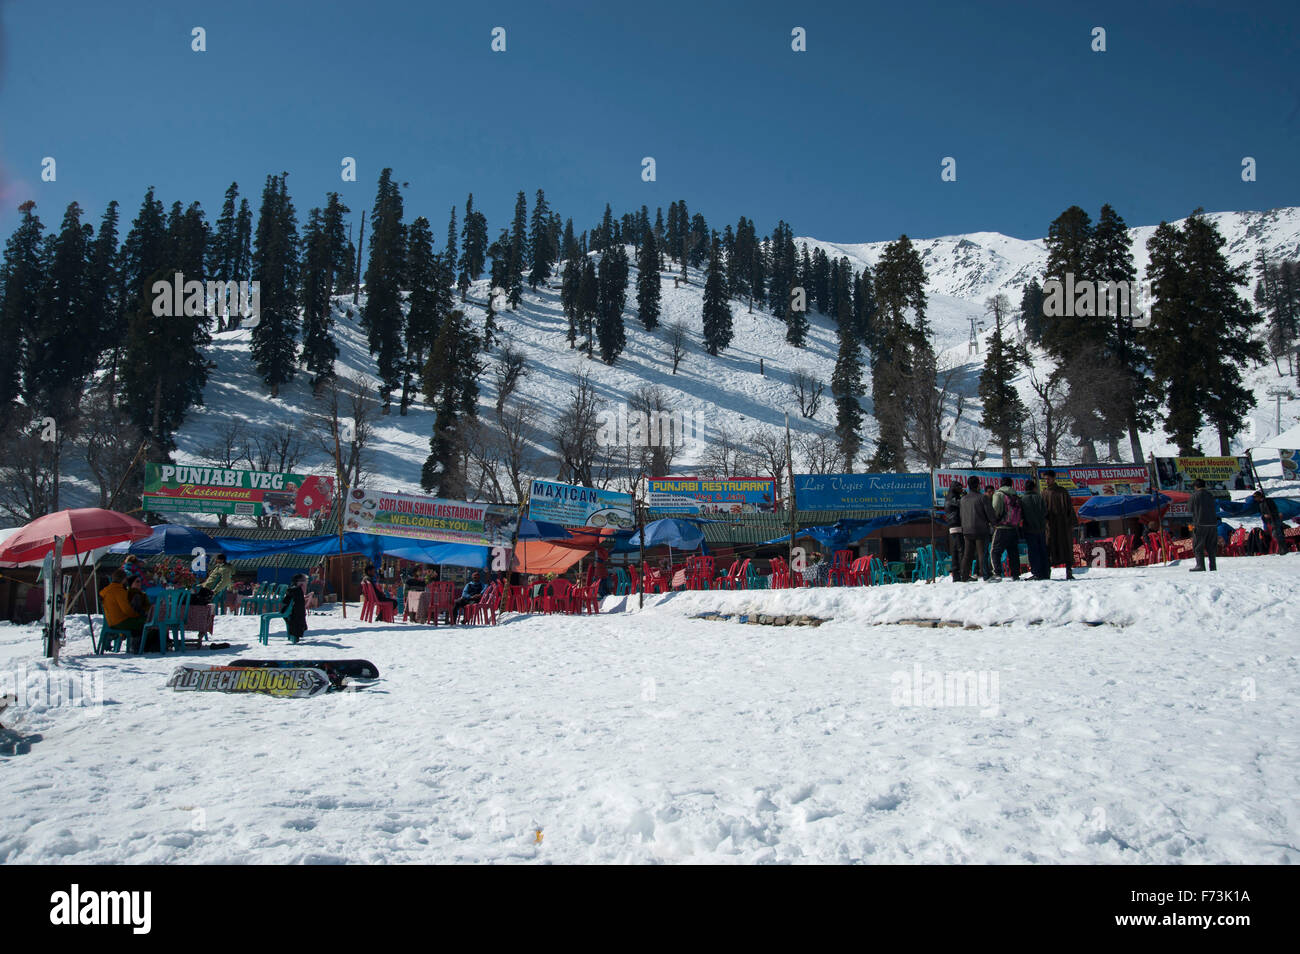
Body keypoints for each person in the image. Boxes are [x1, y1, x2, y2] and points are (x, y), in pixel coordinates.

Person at [1041, 469, 1078, 580]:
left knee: (1066, 547)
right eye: (1045, 479)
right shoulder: (1044, 493)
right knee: (1049, 547)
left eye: (1048, 479)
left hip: (1063, 526)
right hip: (1050, 526)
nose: (1047, 481)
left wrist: (1071, 524)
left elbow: (1069, 509)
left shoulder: (1062, 492)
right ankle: (1047, 572)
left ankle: (1069, 571)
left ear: (1054, 478)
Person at [100, 569, 149, 651]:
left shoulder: (107, 590)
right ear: (123, 579)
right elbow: (127, 610)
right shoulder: (119, 591)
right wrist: (137, 615)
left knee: (140, 623)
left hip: (111, 620)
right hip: (121, 621)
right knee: (145, 623)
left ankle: (133, 644)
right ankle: (137, 647)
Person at [960, 476, 997, 581]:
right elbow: (989, 513)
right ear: (978, 485)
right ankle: (986, 575)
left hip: (966, 529)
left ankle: (965, 576)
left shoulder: (963, 499)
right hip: (980, 529)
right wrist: (994, 523)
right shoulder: (982, 497)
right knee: (982, 553)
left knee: (967, 554)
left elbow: (961, 514)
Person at [990, 477, 1024, 579]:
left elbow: (995, 509)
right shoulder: (1015, 495)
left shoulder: (999, 494)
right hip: (1014, 528)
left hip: (1002, 527)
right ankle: (1015, 574)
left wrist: (994, 521)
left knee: (995, 551)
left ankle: (997, 573)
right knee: (1013, 552)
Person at [1020, 479, 1049, 580]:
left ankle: (1036, 572)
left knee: (1033, 552)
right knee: (1043, 550)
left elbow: (1021, 515)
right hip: (1041, 529)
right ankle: (1046, 572)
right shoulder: (1039, 498)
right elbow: (1045, 512)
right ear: (1034, 488)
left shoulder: (1023, 499)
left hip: (1029, 530)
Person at [1188, 478, 1220, 571]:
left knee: (1198, 546)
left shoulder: (1194, 496)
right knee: (1211, 546)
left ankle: (1200, 565)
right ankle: (1213, 566)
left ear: (1195, 486)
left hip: (1200, 523)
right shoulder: (1210, 495)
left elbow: (1190, 509)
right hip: (1213, 524)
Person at [944, 481, 966, 582]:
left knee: (955, 550)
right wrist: (964, 497)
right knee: (960, 549)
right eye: (960, 487)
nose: (961, 489)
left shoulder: (951, 496)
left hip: (953, 524)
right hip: (955, 524)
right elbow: (961, 504)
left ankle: (956, 574)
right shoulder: (953, 497)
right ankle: (962, 572)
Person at [280, 574, 308, 642]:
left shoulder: (293, 590)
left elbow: (285, 601)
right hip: (293, 614)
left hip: (290, 612)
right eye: (305, 581)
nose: (306, 583)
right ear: (299, 582)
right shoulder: (297, 591)